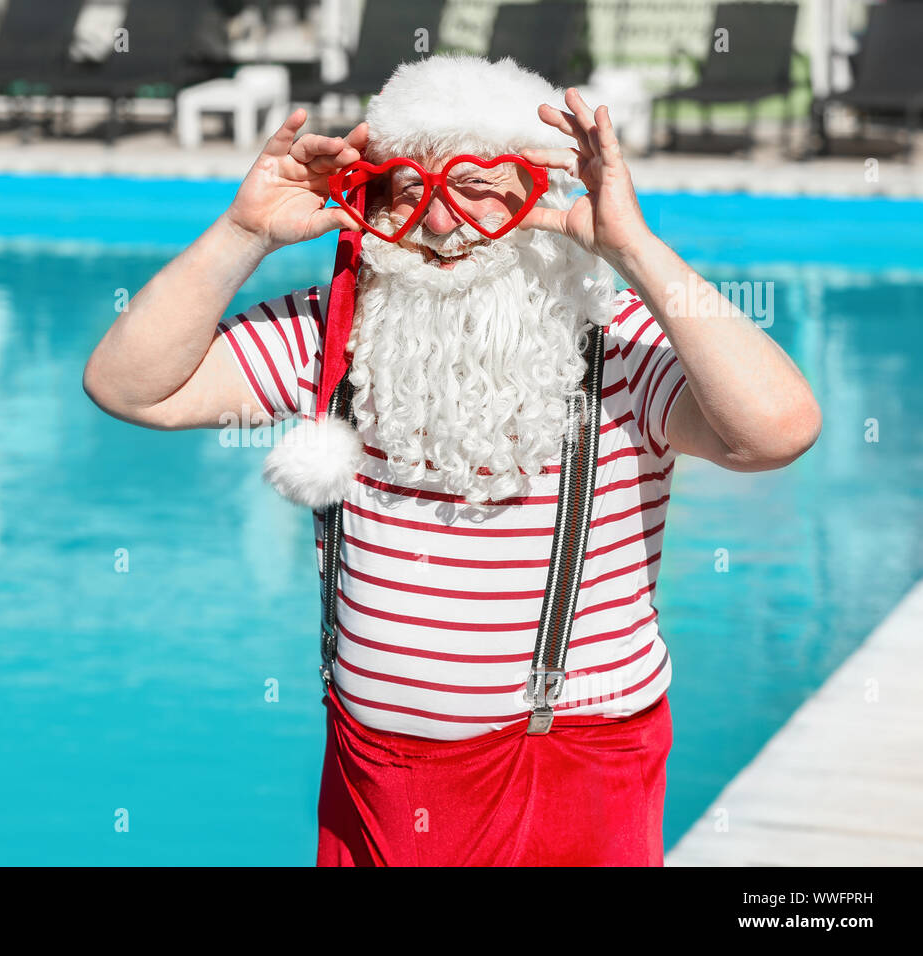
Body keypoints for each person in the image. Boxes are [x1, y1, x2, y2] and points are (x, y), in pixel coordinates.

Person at [83, 54, 821, 866]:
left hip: (569, 775)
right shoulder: (328, 335)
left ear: (538, 196)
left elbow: (777, 430)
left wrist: (634, 249)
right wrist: (242, 234)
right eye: (409, 189)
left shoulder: (617, 346)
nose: (440, 224)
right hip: (374, 784)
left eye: (476, 187)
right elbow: (131, 389)